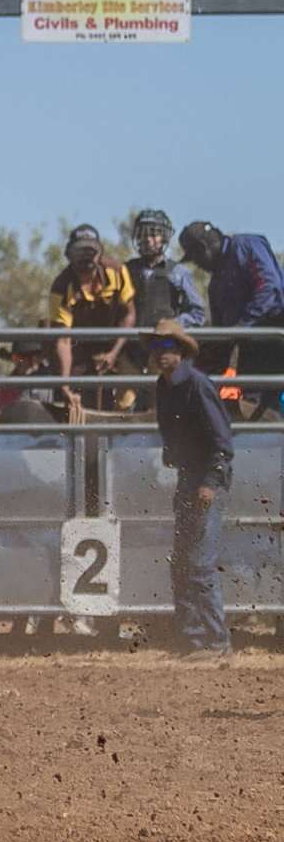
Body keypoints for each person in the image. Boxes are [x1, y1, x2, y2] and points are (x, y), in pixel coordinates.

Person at [145, 319, 236, 660]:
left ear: (179, 352)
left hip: (203, 480)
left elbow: (222, 442)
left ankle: (216, 641)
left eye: (166, 348)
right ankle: (193, 640)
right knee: (183, 562)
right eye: (157, 348)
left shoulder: (196, 386)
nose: (160, 354)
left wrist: (210, 481)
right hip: (189, 477)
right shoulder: (165, 386)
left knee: (198, 562)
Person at [179, 220, 284, 418]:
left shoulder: (245, 246)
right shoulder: (216, 286)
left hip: (278, 328)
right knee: (253, 398)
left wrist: (240, 327)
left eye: (195, 258)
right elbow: (223, 333)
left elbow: (270, 288)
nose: (197, 265)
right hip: (253, 345)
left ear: (203, 249)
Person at [48, 224, 136, 412]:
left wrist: (113, 352)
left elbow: (129, 314)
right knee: (76, 398)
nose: (86, 258)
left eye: (91, 251)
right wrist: (64, 384)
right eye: (80, 252)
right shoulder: (61, 287)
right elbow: (62, 340)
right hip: (78, 351)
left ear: (99, 254)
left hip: (117, 346)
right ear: (69, 255)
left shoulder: (118, 272)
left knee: (129, 389)